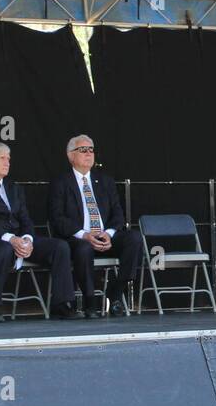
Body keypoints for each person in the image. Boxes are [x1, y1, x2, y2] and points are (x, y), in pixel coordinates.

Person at [0, 142, 80, 323]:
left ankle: (62, 303)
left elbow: (26, 220)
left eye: (9, 158)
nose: (7, 162)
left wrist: (27, 238)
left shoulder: (14, 188)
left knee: (59, 246)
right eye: (2, 158)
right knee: (4, 248)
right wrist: (10, 238)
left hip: (18, 238)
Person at [47, 134, 144, 318]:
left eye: (91, 149)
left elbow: (117, 213)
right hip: (78, 239)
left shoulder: (105, 180)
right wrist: (84, 235)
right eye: (83, 150)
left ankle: (116, 291)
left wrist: (108, 233)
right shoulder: (60, 182)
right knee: (83, 249)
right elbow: (57, 218)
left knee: (134, 238)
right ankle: (90, 301)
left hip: (105, 237)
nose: (88, 153)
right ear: (70, 156)